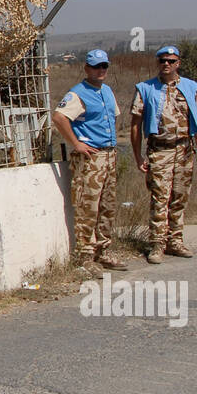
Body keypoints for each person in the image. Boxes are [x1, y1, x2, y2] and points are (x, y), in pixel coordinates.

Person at [130, 45, 197, 264]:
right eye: (162, 60)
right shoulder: (146, 88)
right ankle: (157, 244)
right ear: (158, 63)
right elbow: (135, 124)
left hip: (184, 149)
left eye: (171, 61)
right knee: (160, 198)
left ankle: (175, 241)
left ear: (178, 64)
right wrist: (138, 156)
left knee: (180, 197)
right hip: (159, 150)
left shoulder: (191, 88)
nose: (167, 64)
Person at [53, 49, 127, 272]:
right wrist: (76, 143)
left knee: (107, 205)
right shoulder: (78, 93)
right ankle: (85, 256)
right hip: (90, 157)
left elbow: (113, 116)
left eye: (104, 66)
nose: (101, 70)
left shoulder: (106, 91)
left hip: (109, 153)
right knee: (88, 206)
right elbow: (59, 117)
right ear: (87, 68)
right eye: (96, 66)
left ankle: (103, 251)